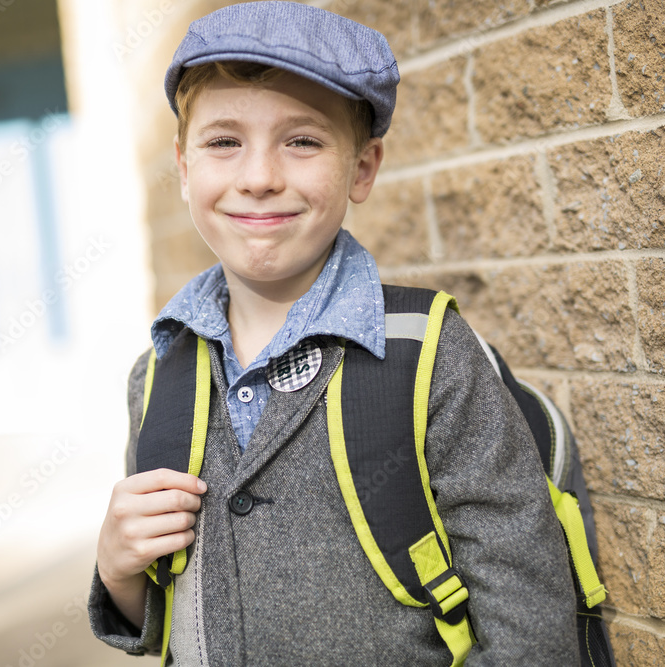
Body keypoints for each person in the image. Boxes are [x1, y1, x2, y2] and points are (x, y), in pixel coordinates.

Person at [89, 2, 580, 664]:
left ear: (363, 168)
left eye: (303, 141)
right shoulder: (157, 377)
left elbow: (531, 625)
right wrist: (119, 571)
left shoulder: (426, 354)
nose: (259, 177)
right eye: (223, 142)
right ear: (183, 167)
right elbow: (165, 612)